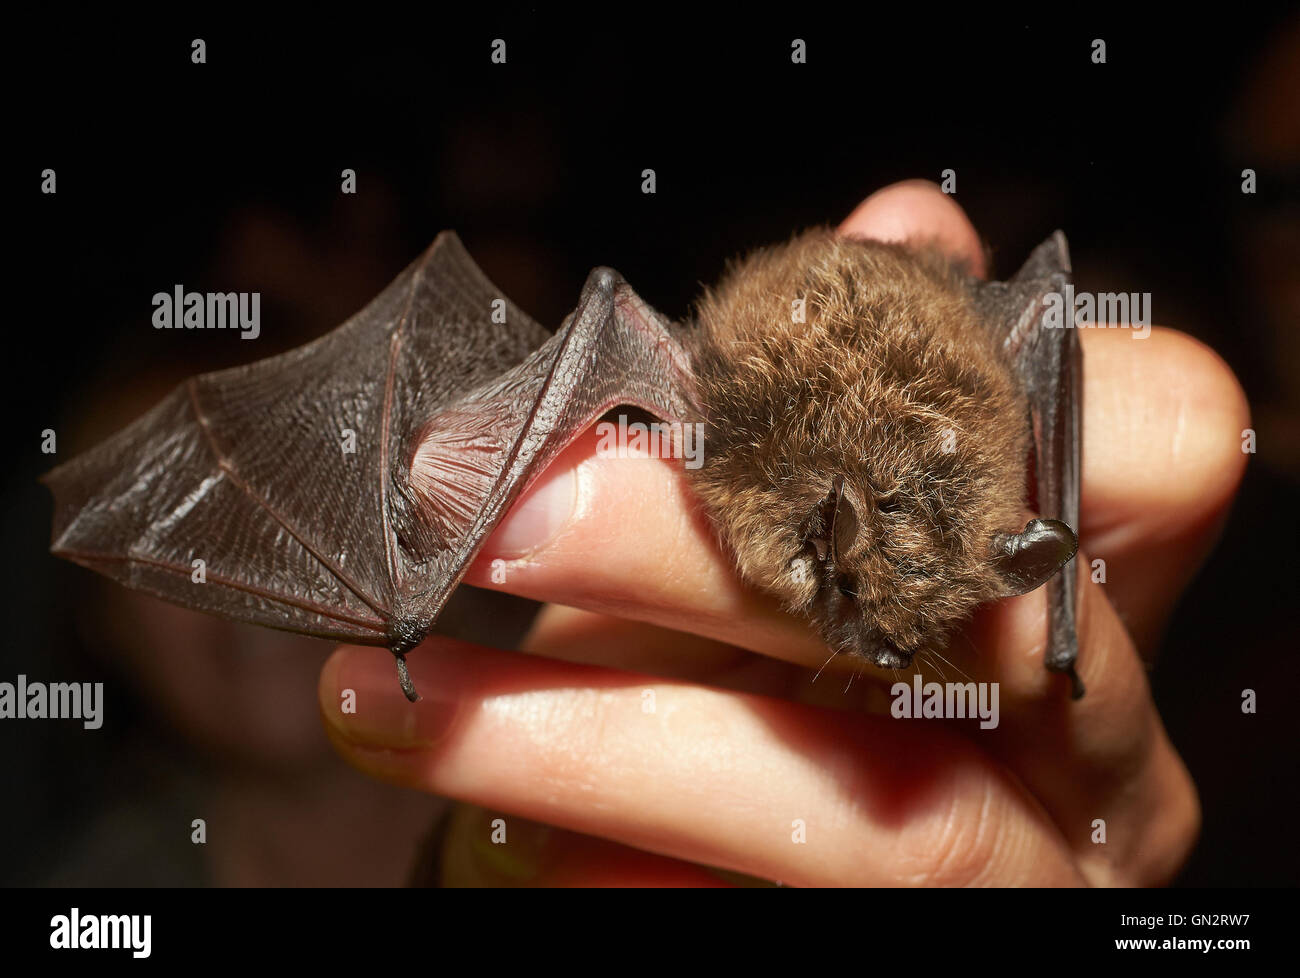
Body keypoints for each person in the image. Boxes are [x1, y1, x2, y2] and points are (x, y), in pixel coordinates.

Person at [318, 180, 1248, 887]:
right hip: (758, 386)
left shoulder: (1004, 428)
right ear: (822, 541)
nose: (878, 655)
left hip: (939, 325)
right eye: (858, 607)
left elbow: (1048, 302)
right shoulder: (748, 450)